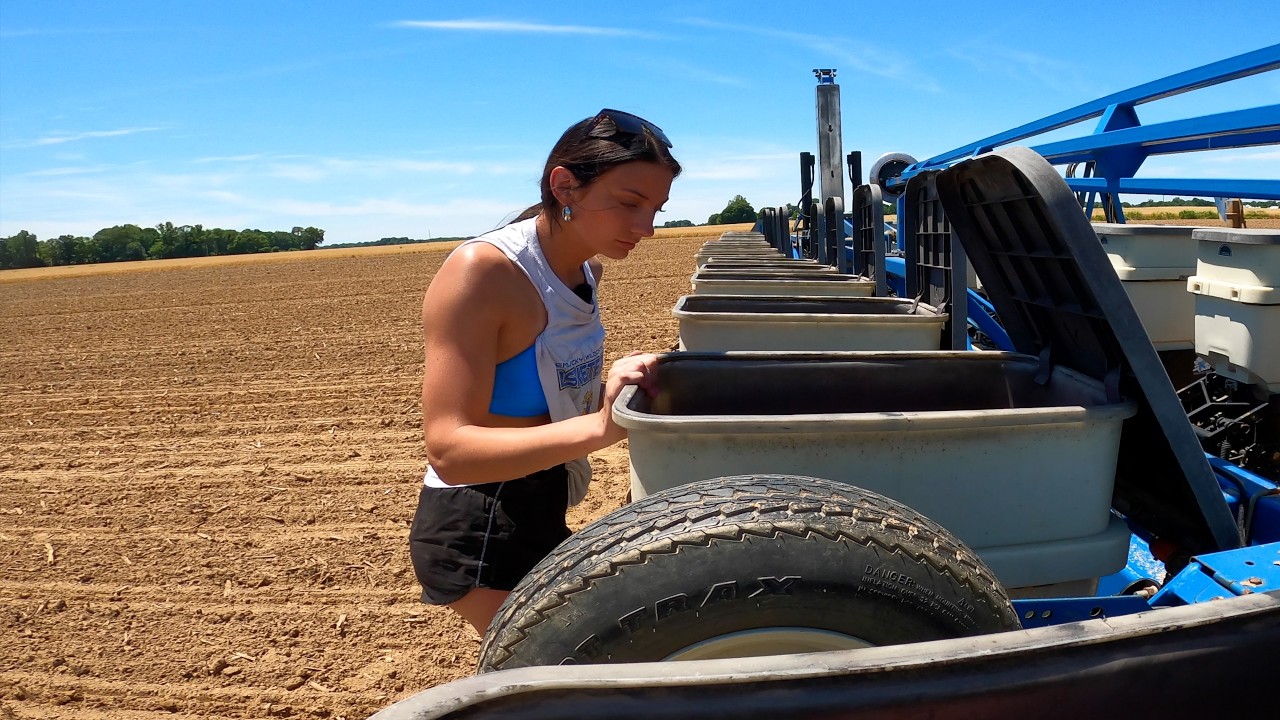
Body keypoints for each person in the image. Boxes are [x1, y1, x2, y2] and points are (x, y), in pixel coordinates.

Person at [410, 109, 681, 635]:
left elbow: (547, 393)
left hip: (541, 501)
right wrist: (602, 425)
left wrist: (616, 389)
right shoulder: (486, 272)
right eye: (630, 203)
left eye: (656, 209)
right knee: (570, 668)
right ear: (564, 186)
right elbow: (449, 450)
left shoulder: (585, 269)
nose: (646, 228)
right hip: (482, 525)